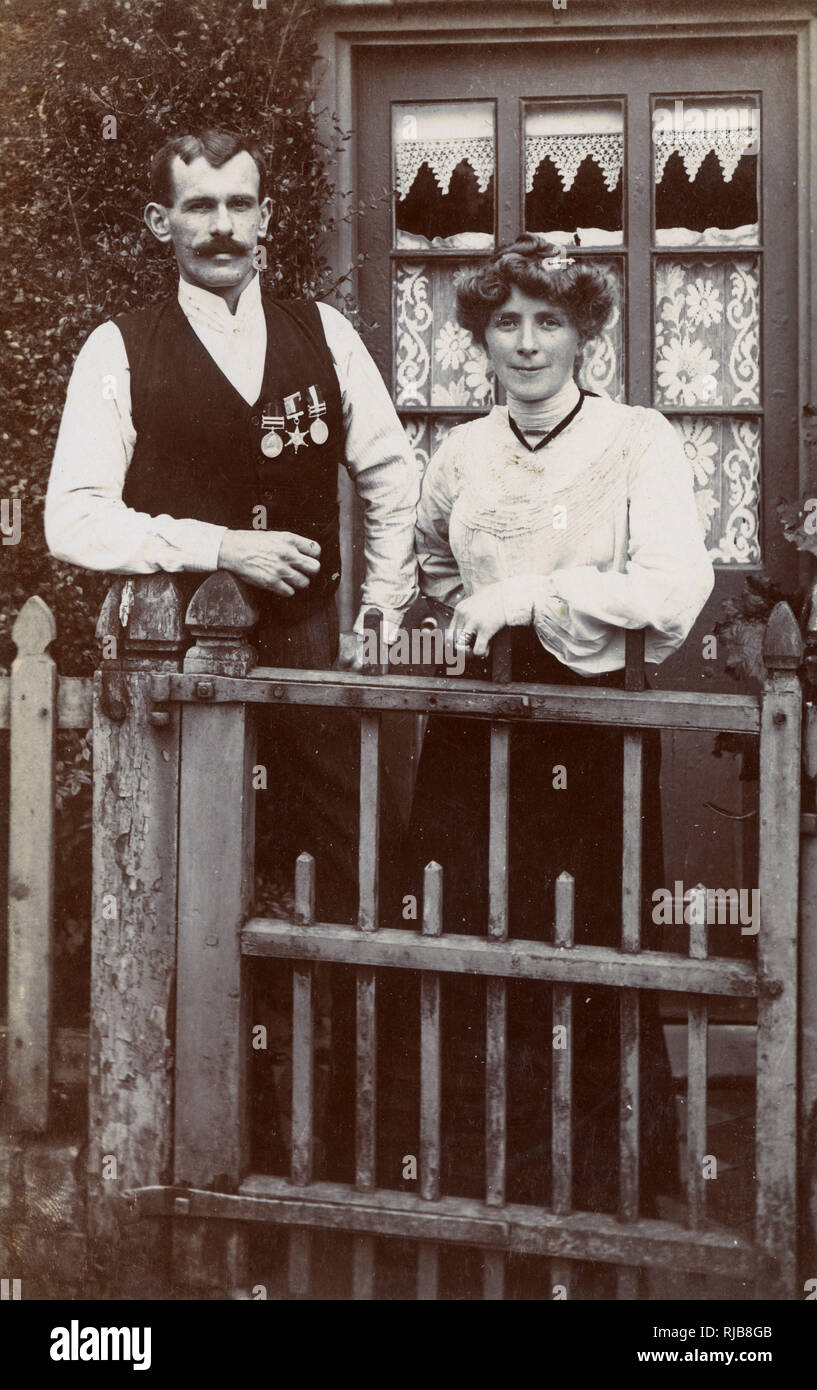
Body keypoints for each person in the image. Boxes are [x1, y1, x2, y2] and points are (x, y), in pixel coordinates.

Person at [45, 127, 420, 1172]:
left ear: (264, 218)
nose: (223, 227)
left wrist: (381, 611)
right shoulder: (120, 348)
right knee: (187, 895)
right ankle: (193, 1154)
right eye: (199, 207)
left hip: (310, 663)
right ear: (161, 224)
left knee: (338, 891)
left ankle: (335, 1153)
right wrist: (218, 547)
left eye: (239, 206)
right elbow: (71, 519)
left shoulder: (324, 334)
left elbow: (392, 475)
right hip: (177, 670)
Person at [377, 235, 715, 1283]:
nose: (527, 344)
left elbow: (673, 587)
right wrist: (434, 607)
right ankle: (471, 1188)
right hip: (475, 728)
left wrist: (532, 597)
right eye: (506, 323)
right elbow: (431, 558)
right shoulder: (464, 453)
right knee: (468, 929)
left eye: (550, 322)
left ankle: (596, 1193)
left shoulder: (637, 440)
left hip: (588, 722)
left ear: (585, 332)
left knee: (589, 944)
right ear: (480, 336)